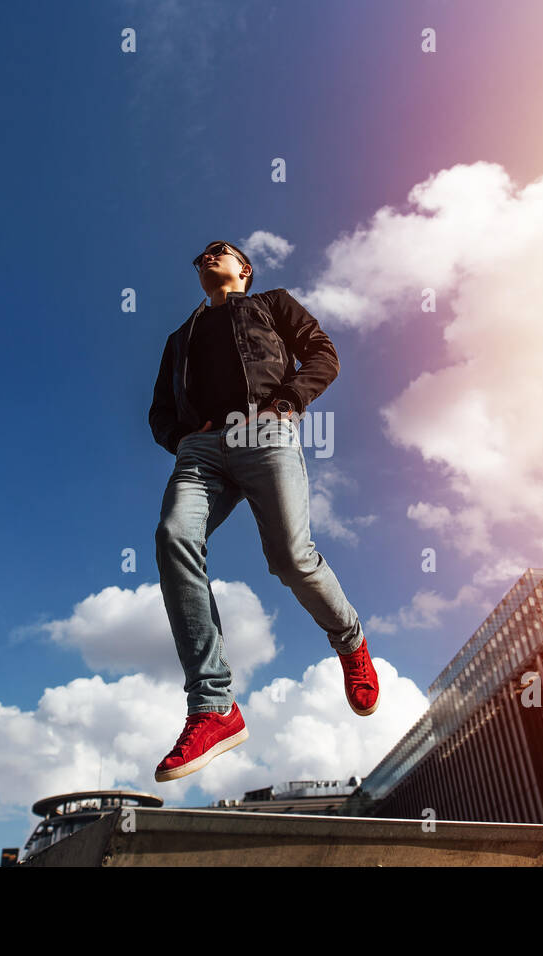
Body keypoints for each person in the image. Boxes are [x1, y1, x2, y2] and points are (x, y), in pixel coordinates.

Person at [147, 240, 380, 783]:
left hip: (266, 429)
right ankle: (214, 708)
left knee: (289, 558)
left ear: (243, 269)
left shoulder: (272, 302)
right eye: (199, 254)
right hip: (202, 451)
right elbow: (159, 409)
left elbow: (324, 353)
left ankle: (350, 642)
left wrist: (287, 402)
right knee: (172, 535)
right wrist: (182, 437)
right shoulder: (179, 338)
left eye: (219, 251)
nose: (206, 256)